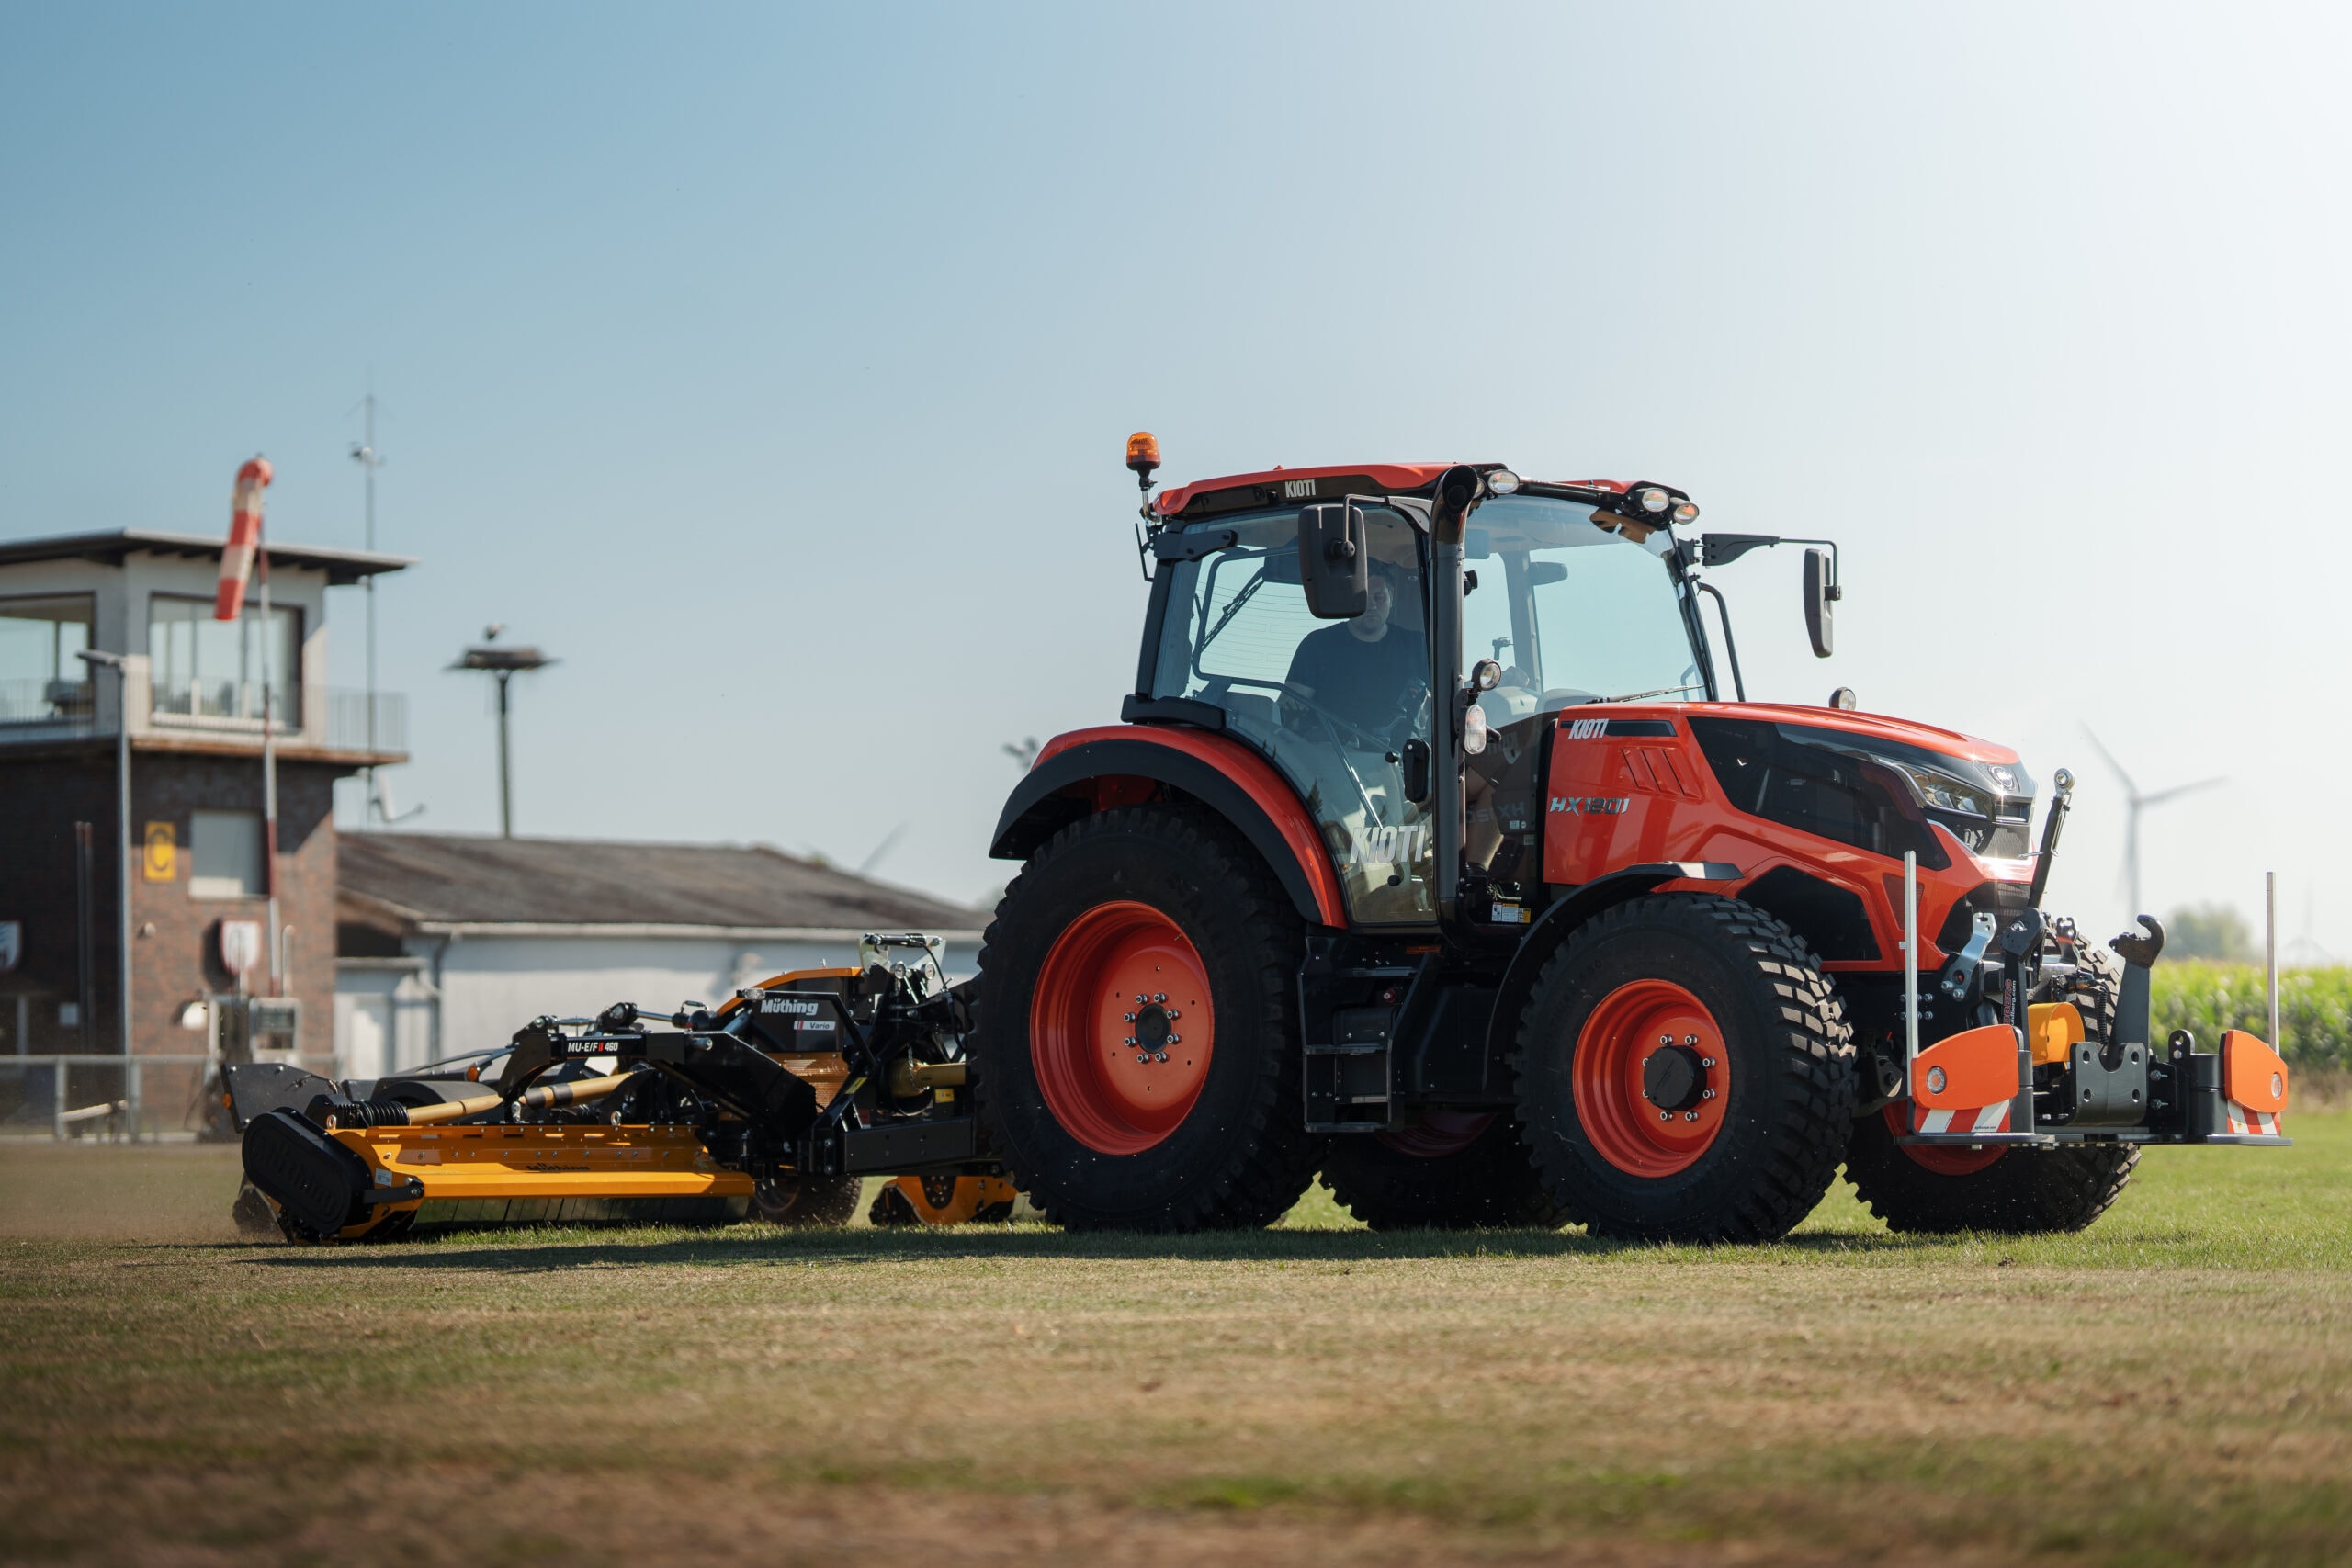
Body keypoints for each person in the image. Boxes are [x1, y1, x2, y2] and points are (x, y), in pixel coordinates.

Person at [1281, 563, 1425, 740]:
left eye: (1379, 597)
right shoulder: (1317, 645)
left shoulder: (1417, 646)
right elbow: (1289, 709)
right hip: (1327, 754)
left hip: (1405, 756)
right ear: (1347, 600)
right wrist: (1291, 715)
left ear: (1391, 596)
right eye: (1361, 598)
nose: (1371, 606)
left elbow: (1448, 699)